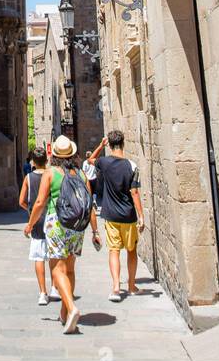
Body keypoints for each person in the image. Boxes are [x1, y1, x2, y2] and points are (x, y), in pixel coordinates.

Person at [24, 134, 99, 334]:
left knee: (57, 269)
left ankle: (72, 307)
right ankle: (65, 313)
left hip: (56, 223)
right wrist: (95, 230)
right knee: (70, 269)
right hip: (76, 227)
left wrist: (30, 224)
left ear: (54, 154)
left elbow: (40, 202)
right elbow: (90, 204)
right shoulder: (81, 174)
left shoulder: (50, 173)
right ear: (72, 154)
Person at [88, 130, 145, 301]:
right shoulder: (132, 166)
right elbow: (134, 192)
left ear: (110, 145)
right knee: (131, 250)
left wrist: (100, 145)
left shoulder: (104, 163)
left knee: (114, 251)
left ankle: (115, 288)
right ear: (123, 143)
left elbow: (90, 161)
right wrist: (141, 216)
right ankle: (132, 286)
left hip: (110, 215)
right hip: (128, 215)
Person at [18, 145, 53, 304]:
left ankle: (42, 293)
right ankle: (55, 288)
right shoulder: (52, 175)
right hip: (52, 219)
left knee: (39, 257)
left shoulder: (28, 178)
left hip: (37, 221)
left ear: (33, 161)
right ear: (46, 160)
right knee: (53, 256)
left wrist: (31, 211)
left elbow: (21, 201)